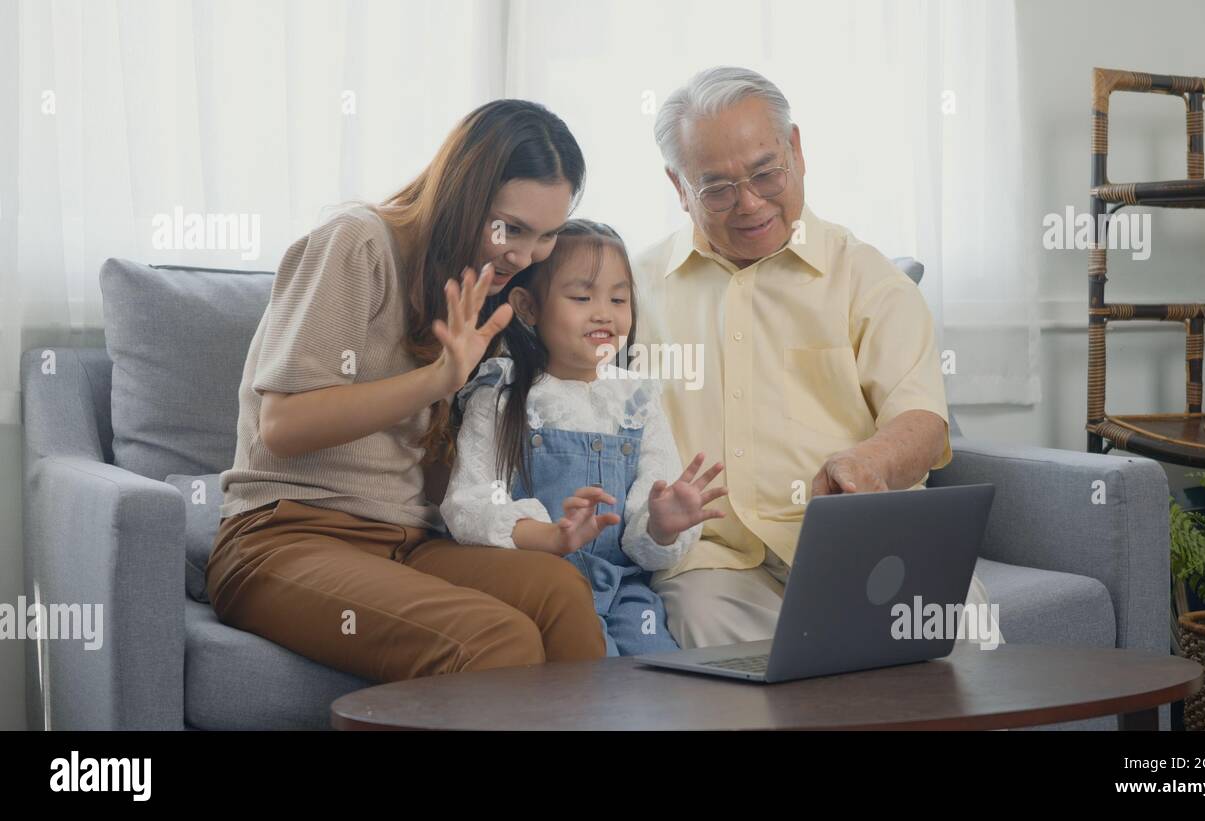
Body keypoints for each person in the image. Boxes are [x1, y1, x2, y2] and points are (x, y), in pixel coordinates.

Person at [207, 100, 610, 683]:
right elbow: (283, 427)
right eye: (511, 228)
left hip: (410, 541)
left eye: (546, 236)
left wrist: (539, 525)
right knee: (496, 638)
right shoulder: (357, 243)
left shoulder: (483, 285)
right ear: (462, 193)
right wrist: (436, 379)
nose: (523, 256)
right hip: (285, 536)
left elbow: (451, 474)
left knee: (561, 594)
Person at [632, 66, 1004, 650]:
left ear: (796, 150)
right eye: (718, 188)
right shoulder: (633, 288)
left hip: (860, 548)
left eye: (765, 173)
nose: (750, 203)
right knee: (711, 641)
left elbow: (923, 425)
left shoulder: (868, 278)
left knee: (958, 627)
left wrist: (870, 463)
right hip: (717, 564)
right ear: (679, 188)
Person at [441, 220, 728, 656]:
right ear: (527, 307)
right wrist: (548, 535)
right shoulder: (502, 396)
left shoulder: (638, 401)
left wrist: (662, 526)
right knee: (590, 677)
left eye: (618, 298)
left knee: (663, 673)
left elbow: (645, 540)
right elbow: (471, 504)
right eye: (581, 297)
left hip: (623, 589)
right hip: (541, 589)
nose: (604, 313)